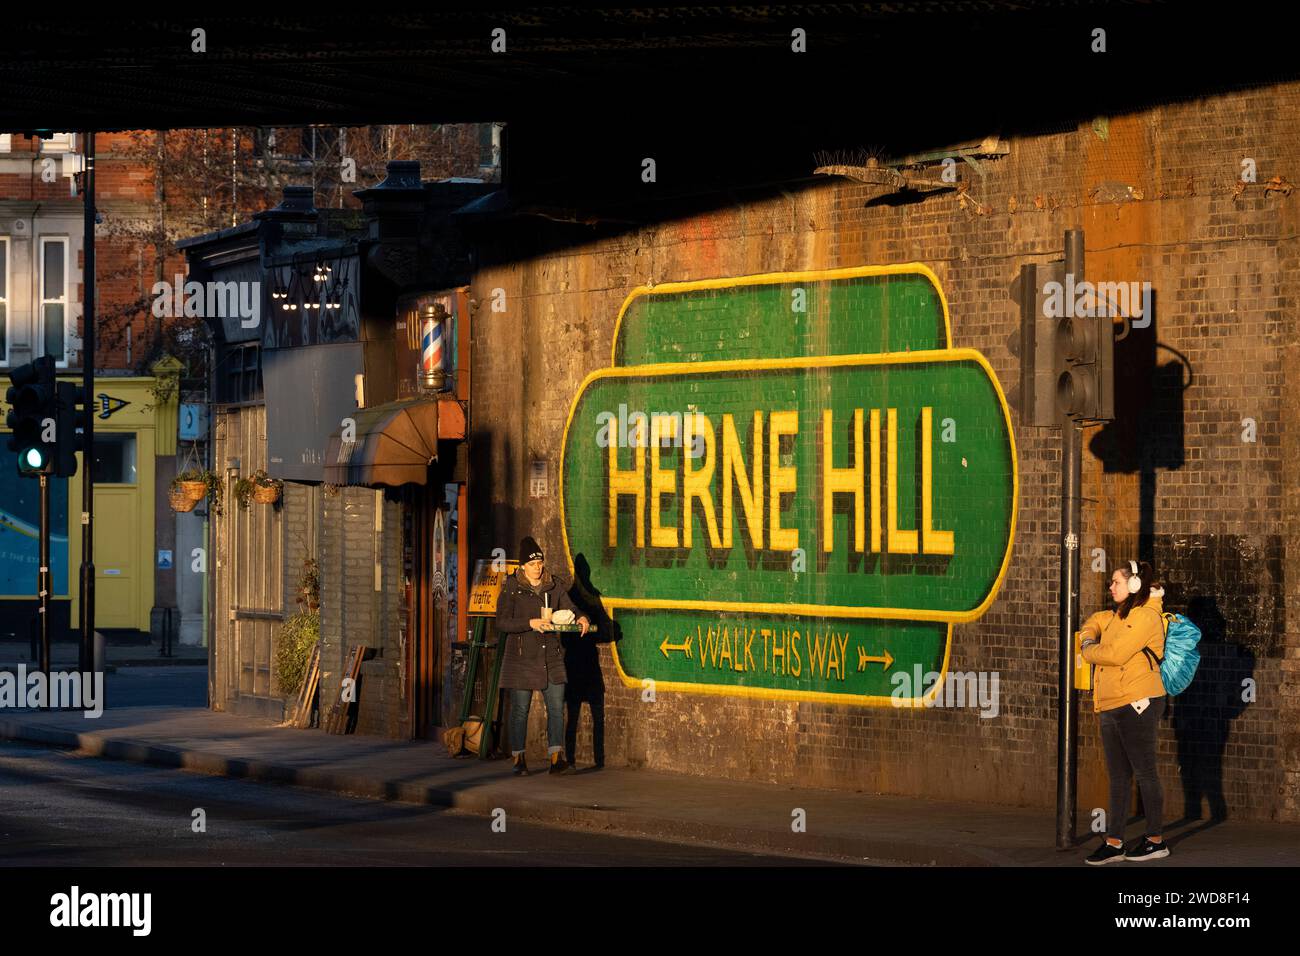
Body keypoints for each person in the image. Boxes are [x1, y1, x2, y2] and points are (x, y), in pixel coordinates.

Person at [1080, 559, 1169, 864]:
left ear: (1133, 585)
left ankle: (1155, 840)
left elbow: (1115, 654)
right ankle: (1115, 842)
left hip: (1137, 702)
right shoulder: (1119, 615)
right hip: (1111, 702)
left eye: (1116, 581)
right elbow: (1095, 620)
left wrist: (1087, 649)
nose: (1110, 586)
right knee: (1118, 776)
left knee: (1144, 772)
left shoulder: (1144, 617)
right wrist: (1089, 633)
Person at [494, 536, 590, 776]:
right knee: (520, 710)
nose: (537, 568)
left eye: (540, 563)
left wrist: (581, 617)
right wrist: (530, 623)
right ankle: (518, 758)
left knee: (556, 707)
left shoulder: (553, 585)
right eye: (533, 564)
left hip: (550, 656)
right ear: (523, 566)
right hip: (521, 657)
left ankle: (556, 758)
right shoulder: (512, 588)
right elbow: (502, 622)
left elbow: (570, 606)